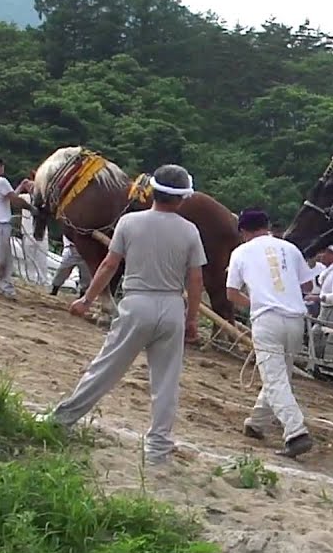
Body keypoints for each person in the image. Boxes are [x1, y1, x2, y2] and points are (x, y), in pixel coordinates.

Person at [38, 165, 206, 464]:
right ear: (181, 199)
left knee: (105, 367)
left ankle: (63, 419)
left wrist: (87, 300)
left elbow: (108, 266)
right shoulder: (190, 230)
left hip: (137, 301)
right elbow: (195, 280)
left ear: (151, 191)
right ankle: (158, 448)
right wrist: (192, 318)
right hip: (171, 308)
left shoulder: (129, 222)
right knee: (166, 382)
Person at [227, 207, 316, 458]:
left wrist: (254, 301)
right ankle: (257, 422)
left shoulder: (241, 252)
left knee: (275, 378)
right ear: (267, 226)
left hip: (267, 319)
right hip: (296, 319)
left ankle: (296, 431)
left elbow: (231, 293)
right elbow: (308, 285)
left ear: (243, 231)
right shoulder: (290, 248)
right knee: (281, 375)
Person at [0, 157, 33, 298]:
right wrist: (31, 208)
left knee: (7, 258)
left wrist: (21, 186)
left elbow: (10, 196)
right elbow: (14, 199)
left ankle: (6, 287)